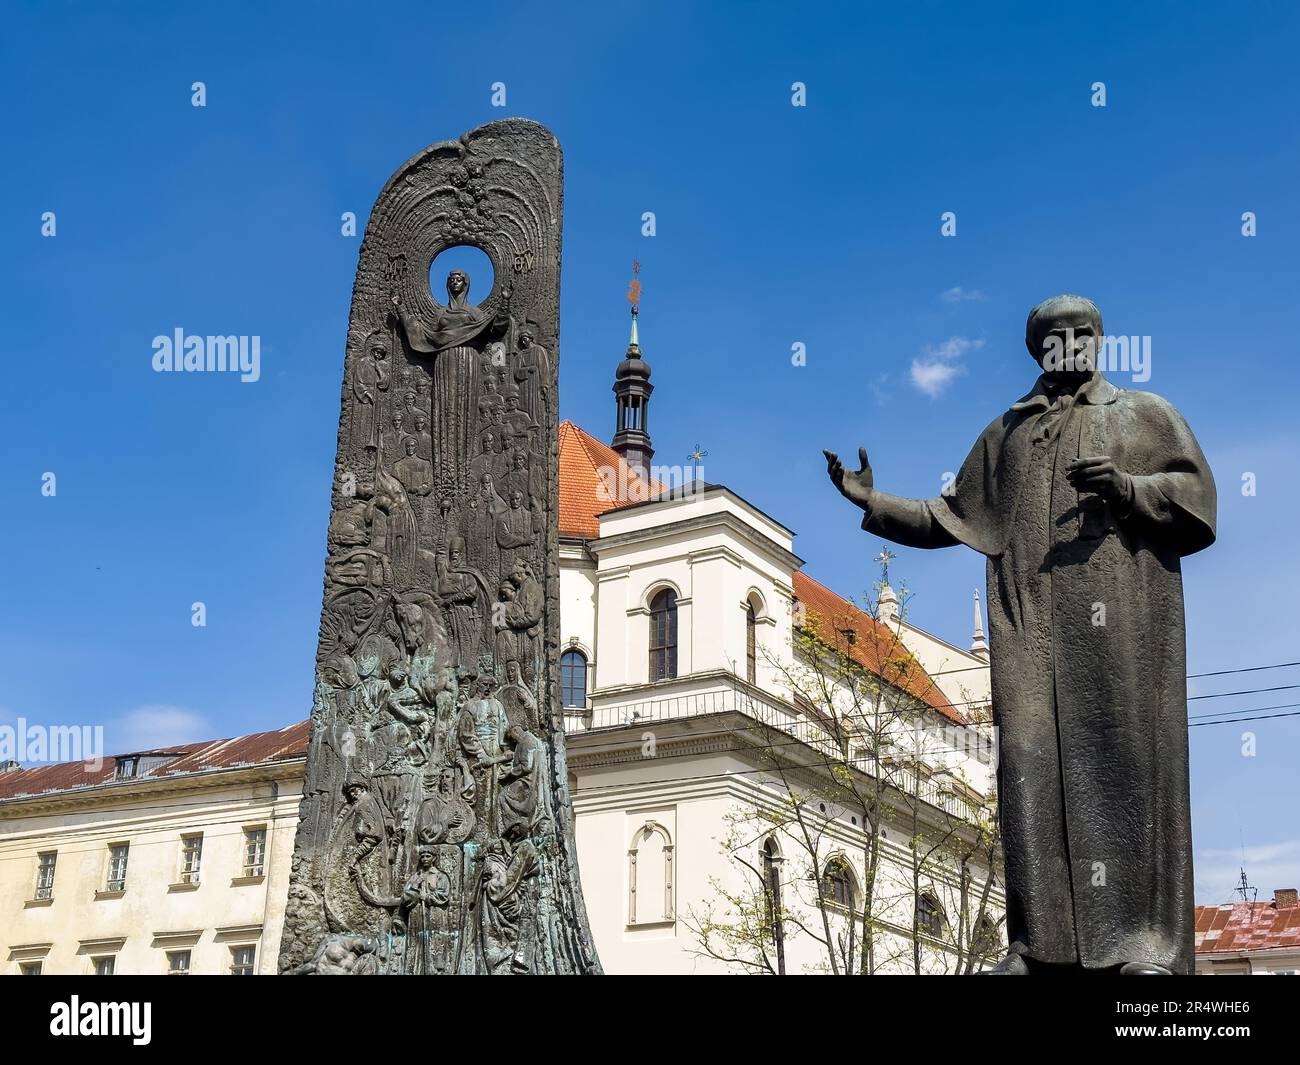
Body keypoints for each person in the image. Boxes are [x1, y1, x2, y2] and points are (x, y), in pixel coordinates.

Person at [825, 295, 1216, 975]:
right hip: (1029, 629)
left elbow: (1198, 503)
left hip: (1119, 629)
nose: (1073, 346)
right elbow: (947, 515)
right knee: (1028, 769)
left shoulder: (1146, 415)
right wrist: (873, 502)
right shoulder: (1006, 434)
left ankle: (1144, 944)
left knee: (1125, 765)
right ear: (1040, 350)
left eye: (1084, 334)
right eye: (1058, 338)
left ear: (1099, 341)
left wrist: (1126, 488)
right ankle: (1037, 946)